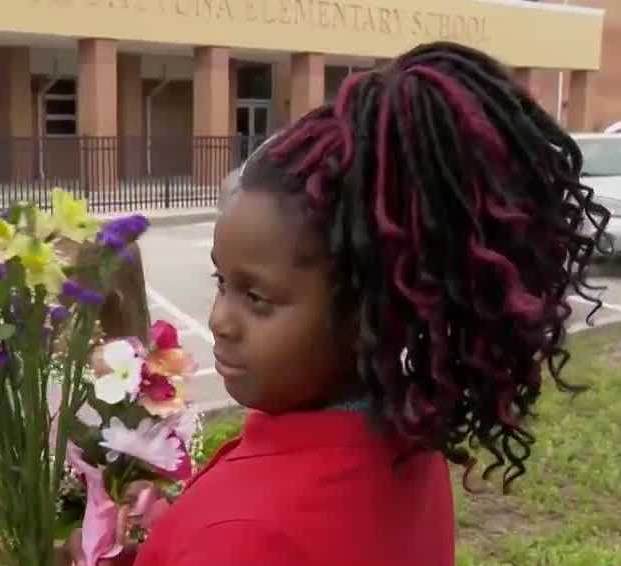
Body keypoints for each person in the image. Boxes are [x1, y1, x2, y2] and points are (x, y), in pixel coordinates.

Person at [71, 41, 609, 566]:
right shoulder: (406, 447)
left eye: (257, 297)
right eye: (221, 282)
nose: (220, 320)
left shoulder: (242, 535)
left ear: (367, 312)